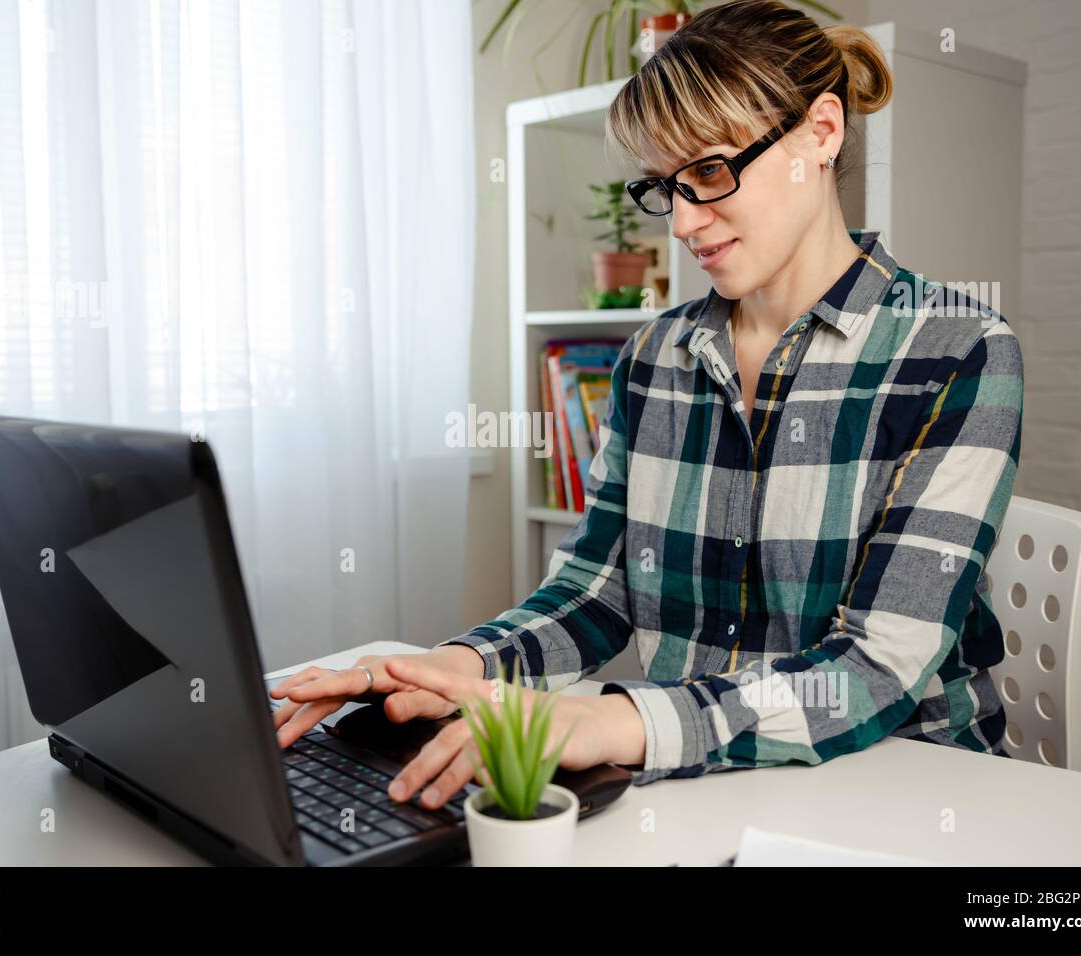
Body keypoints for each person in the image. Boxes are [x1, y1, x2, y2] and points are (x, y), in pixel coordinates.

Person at [270, 0, 1024, 811]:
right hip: (707, 780)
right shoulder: (653, 360)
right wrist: (464, 666)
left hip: (908, 793)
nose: (686, 224)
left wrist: (616, 724)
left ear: (822, 132)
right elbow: (598, 591)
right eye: (666, 188)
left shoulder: (960, 350)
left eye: (709, 171)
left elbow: (875, 668)